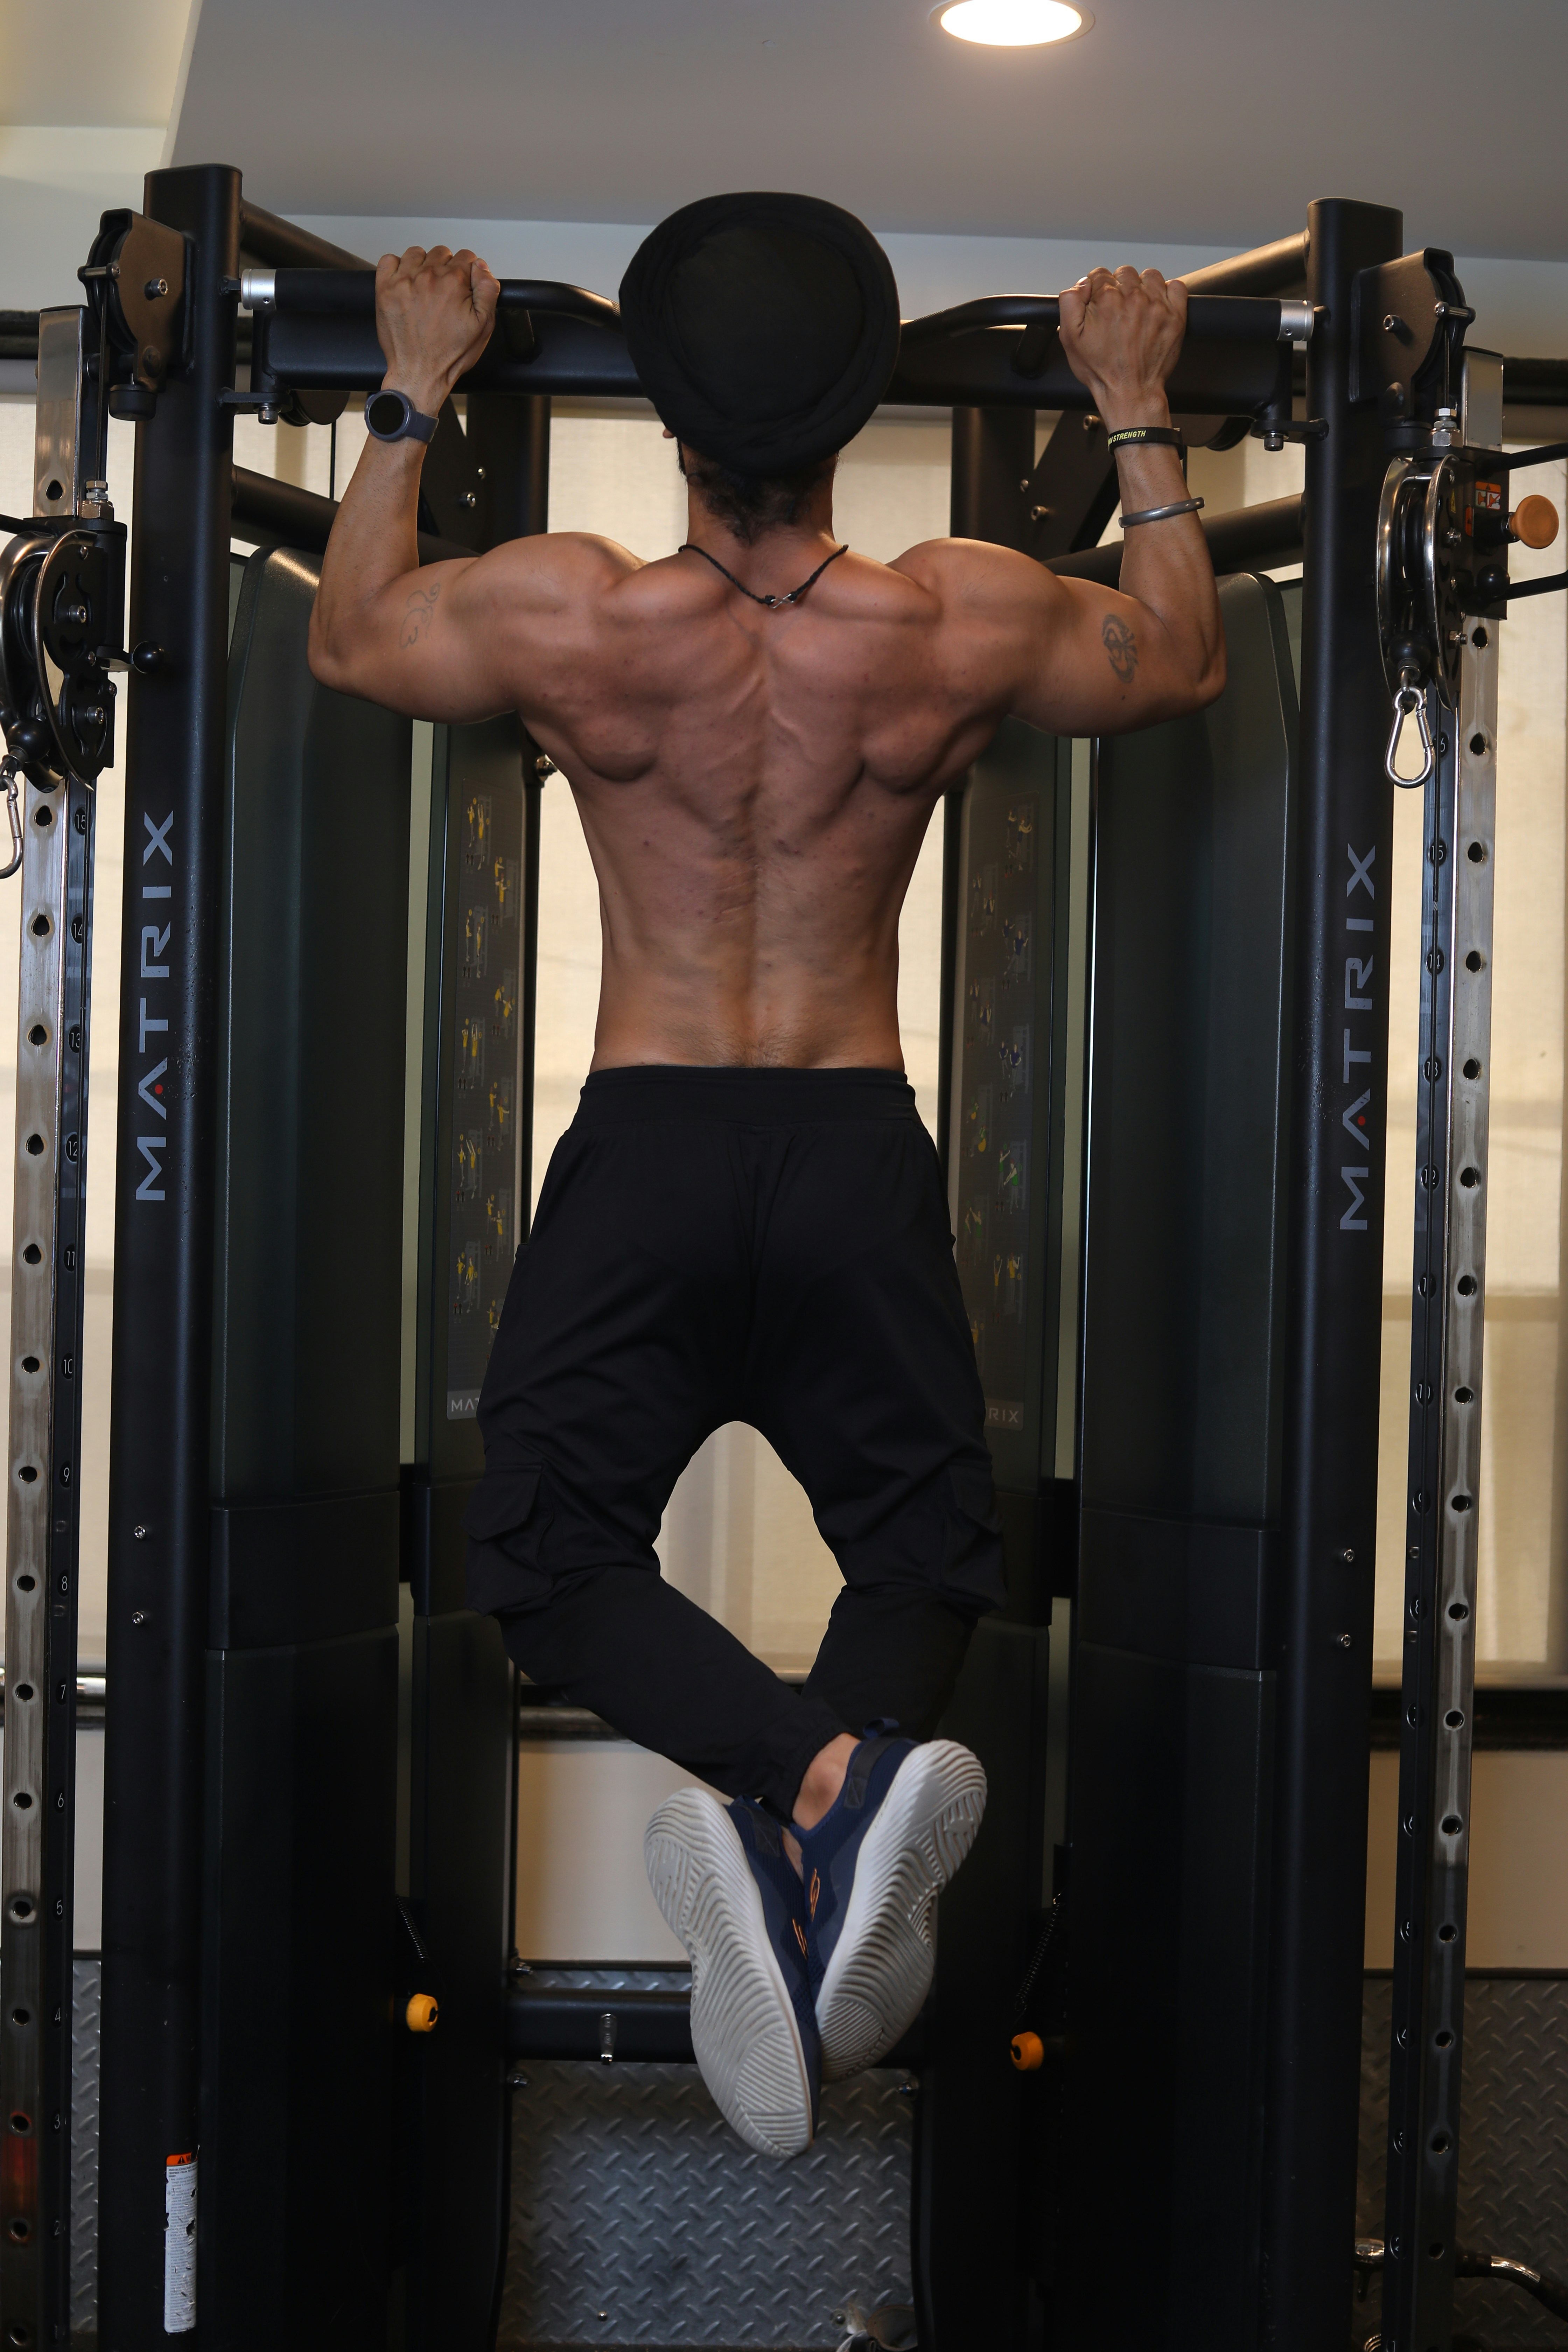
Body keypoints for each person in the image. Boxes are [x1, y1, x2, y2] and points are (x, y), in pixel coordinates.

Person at [309, 191, 1225, 2161]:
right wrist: (1138, 412)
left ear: (670, 426)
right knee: (929, 1550)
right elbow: (1176, 661)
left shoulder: (574, 611)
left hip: (649, 1145)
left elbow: (354, 633)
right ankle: (831, 1819)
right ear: (843, 424)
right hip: (849, 1149)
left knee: (541, 1554)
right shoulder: (956, 613)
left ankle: (810, 1790)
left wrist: (411, 392)